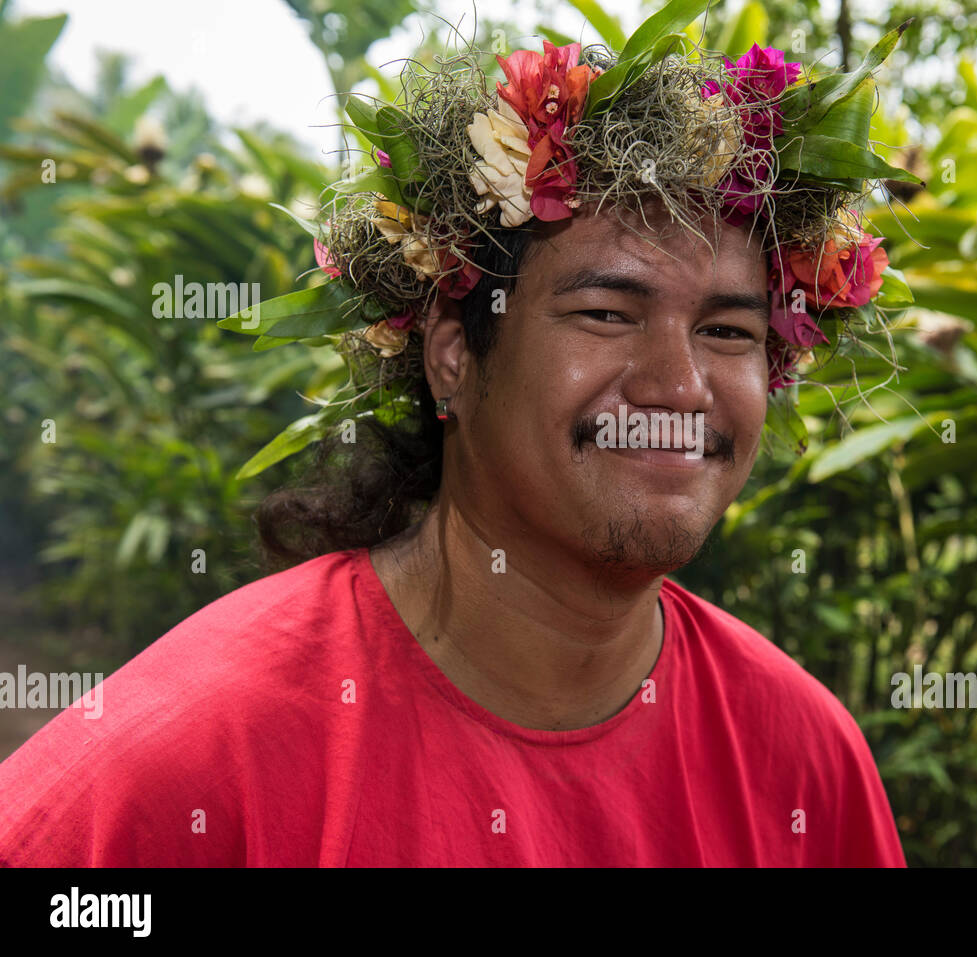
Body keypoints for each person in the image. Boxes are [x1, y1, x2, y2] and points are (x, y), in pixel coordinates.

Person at [0, 5, 910, 866]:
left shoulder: (803, 760)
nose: (678, 383)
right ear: (453, 357)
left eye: (727, 331)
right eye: (604, 312)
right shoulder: (197, 750)